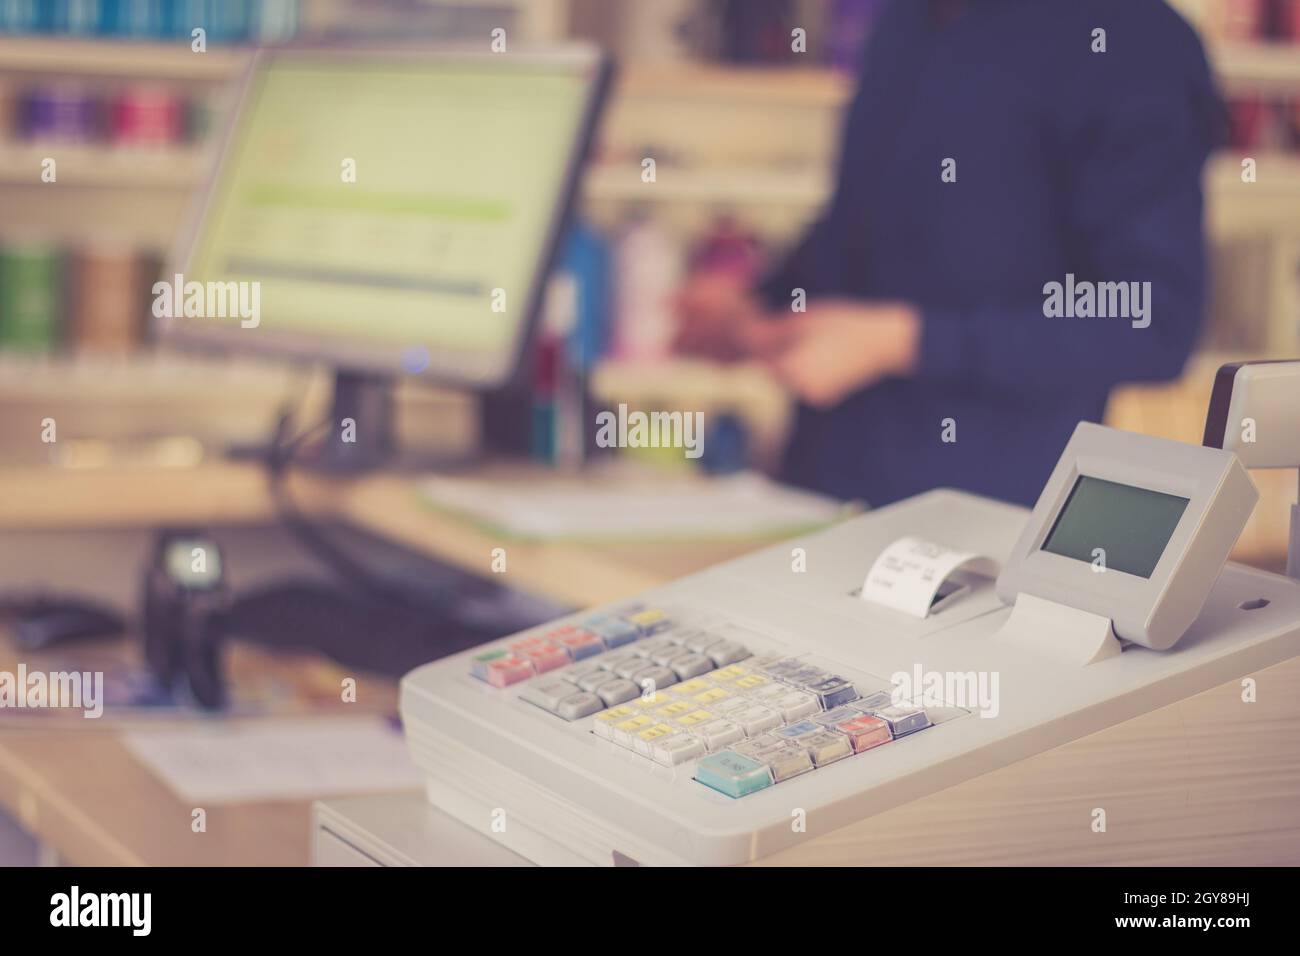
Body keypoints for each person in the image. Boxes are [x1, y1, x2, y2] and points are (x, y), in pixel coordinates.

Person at [675, 0, 1219, 507]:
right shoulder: (903, 19)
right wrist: (759, 304)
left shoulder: (1131, 39)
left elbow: (1152, 323)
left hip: (978, 533)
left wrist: (903, 342)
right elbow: (860, 220)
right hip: (820, 496)